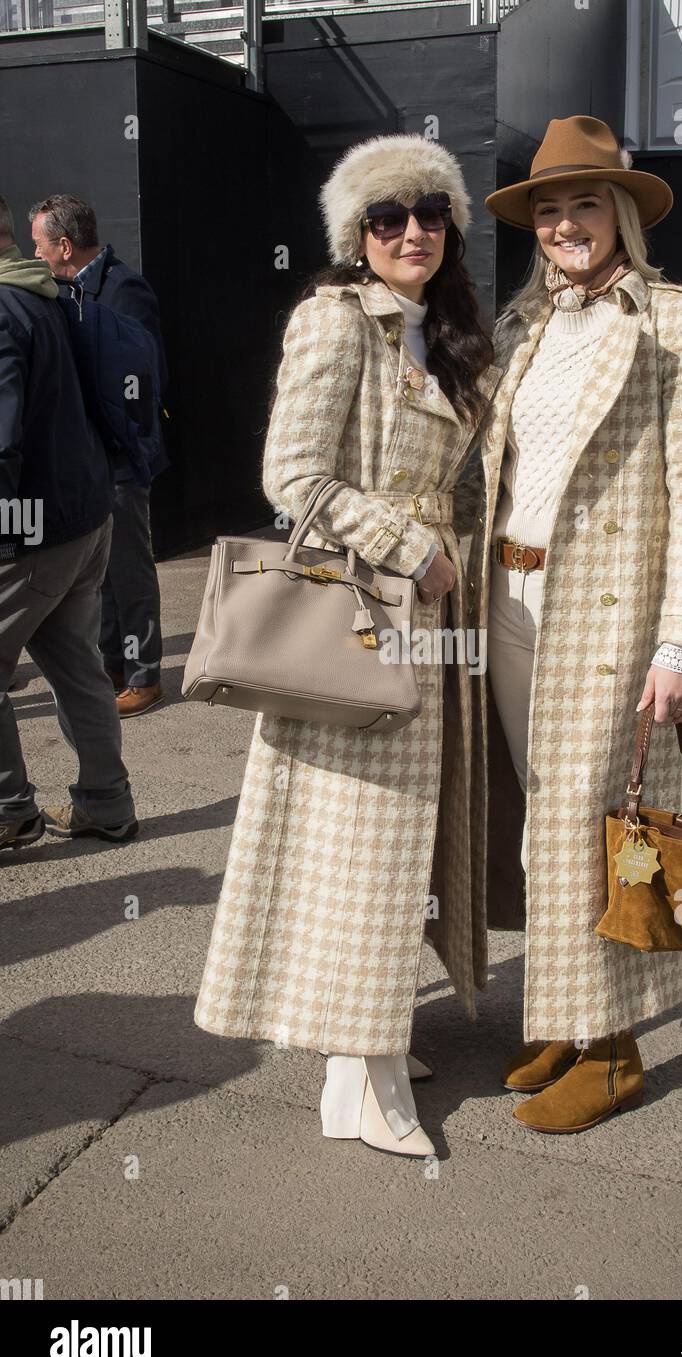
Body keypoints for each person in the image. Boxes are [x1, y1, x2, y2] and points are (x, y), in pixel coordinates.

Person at [194, 135, 501, 1159]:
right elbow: (292, 476)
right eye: (385, 217)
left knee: (392, 846)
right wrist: (412, 546)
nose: (410, 231)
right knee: (363, 849)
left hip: (432, 624)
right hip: (364, 621)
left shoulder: (444, 334)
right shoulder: (335, 321)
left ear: (451, 228)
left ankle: (363, 1044)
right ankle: (364, 1079)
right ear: (354, 236)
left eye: (428, 212)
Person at [464, 115, 682, 1133]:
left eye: (583, 203)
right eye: (547, 208)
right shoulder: (522, 330)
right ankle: (567, 1017)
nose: (564, 223)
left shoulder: (675, 319)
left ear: (618, 212)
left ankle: (614, 1049)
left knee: (591, 826)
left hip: (605, 619)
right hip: (508, 604)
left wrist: (679, 640)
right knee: (544, 827)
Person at [0, 195, 138, 849]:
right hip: (84, 514)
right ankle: (106, 804)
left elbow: (1, 442)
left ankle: (9, 809)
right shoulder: (49, 294)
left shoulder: (4, 306)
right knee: (76, 664)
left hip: (30, 527)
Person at [30, 194, 169, 717]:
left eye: (41, 246)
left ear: (64, 245)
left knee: (130, 569)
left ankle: (144, 675)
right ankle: (114, 662)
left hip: (121, 457)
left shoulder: (122, 288)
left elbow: (137, 375)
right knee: (103, 570)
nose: (35, 255)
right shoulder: (67, 288)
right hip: (89, 458)